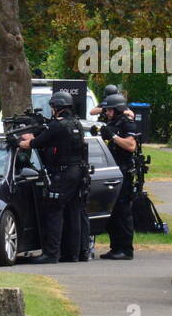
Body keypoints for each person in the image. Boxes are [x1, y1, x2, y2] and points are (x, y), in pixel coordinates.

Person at [18, 90, 88, 264]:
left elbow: (35, 143)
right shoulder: (76, 124)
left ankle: (51, 254)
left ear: (56, 107)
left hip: (63, 174)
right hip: (78, 172)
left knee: (54, 212)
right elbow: (54, 138)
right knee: (73, 212)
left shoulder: (57, 126)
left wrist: (20, 142)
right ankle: (72, 254)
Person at [97, 93, 137, 260]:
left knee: (122, 211)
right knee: (113, 212)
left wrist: (113, 136)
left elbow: (131, 146)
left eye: (109, 110)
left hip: (124, 172)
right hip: (114, 170)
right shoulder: (112, 123)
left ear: (116, 110)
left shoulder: (128, 124)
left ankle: (126, 249)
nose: (106, 112)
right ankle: (115, 247)